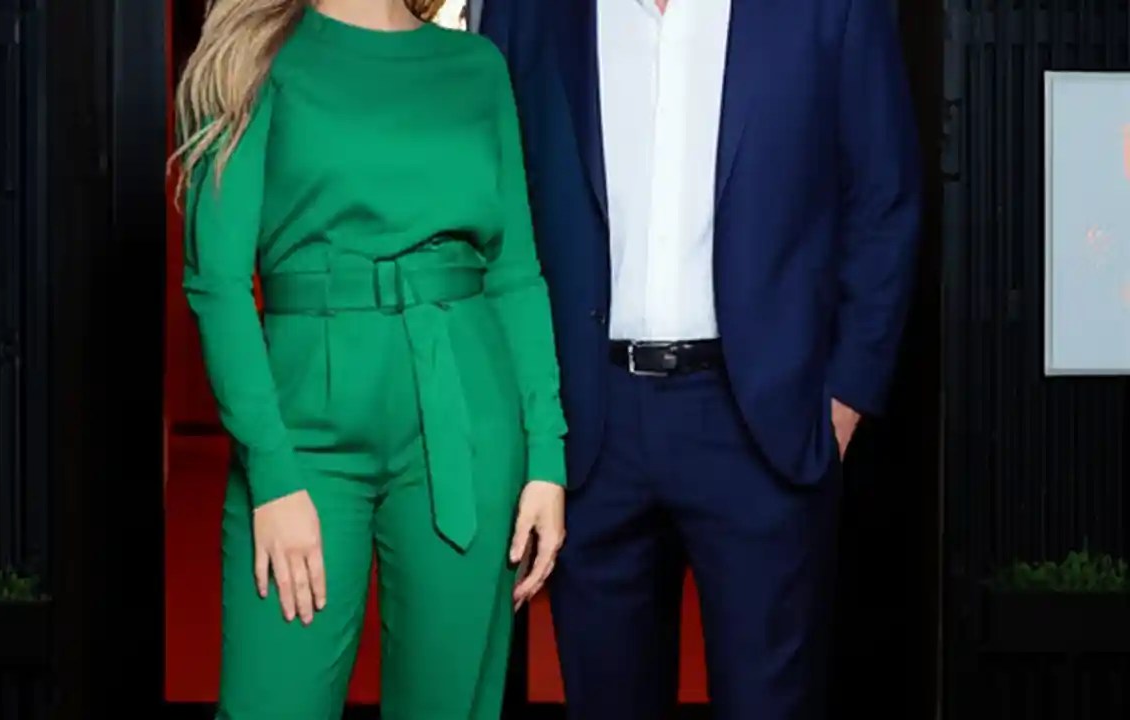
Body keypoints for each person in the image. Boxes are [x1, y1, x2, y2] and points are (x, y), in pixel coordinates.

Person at [480, 0, 921, 718]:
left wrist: (843, 397)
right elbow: (499, 210)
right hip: (588, 431)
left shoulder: (829, 10)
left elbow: (885, 198)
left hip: (763, 425)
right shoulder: (529, 13)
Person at [172, 1, 567, 717]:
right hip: (300, 435)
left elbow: (515, 272)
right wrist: (271, 473)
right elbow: (217, 284)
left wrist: (547, 454)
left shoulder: (477, 67)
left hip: (466, 416)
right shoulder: (254, 54)